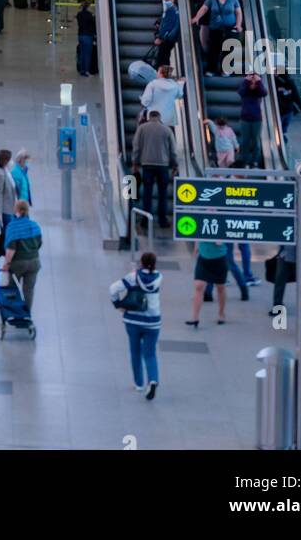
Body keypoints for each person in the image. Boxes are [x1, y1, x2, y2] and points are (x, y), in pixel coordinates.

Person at [110, 250, 162, 399]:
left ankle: (139, 384)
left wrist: (117, 304)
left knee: (135, 351)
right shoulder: (159, 277)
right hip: (153, 322)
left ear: (141, 262)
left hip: (132, 320)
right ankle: (152, 380)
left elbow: (113, 288)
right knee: (150, 353)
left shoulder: (133, 277)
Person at [132, 109, 177, 228]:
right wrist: (175, 165)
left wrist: (135, 164)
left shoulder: (141, 129)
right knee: (163, 194)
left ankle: (145, 220)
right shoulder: (167, 130)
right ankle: (162, 220)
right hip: (163, 166)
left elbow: (136, 147)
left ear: (149, 117)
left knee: (147, 193)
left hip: (147, 165)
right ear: (160, 117)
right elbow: (173, 150)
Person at [192, 0, 242, 75]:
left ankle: (226, 70)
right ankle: (211, 69)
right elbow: (204, 9)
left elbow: (238, 12)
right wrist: (196, 18)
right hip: (215, 28)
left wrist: (238, 24)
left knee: (228, 49)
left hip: (229, 28)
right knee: (214, 49)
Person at [2, 200, 43, 311]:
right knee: (29, 290)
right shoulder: (35, 226)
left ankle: (14, 313)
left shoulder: (13, 226)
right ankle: (27, 314)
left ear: (16, 210)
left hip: (17, 263)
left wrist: (7, 264)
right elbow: (39, 244)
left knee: (12, 288)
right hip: (34, 262)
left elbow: (11, 249)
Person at [187, 240, 228, 326]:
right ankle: (195, 317)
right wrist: (196, 245)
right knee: (199, 286)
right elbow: (199, 230)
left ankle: (221, 313)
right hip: (203, 258)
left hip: (219, 257)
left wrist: (221, 240)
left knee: (220, 287)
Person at [140, 65, 184, 129]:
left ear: (161, 74)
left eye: (158, 71)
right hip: (169, 120)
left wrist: (142, 100)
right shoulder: (175, 85)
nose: (156, 73)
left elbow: (145, 102)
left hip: (154, 117)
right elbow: (180, 95)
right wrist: (181, 83)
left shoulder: (152, 84)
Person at [238, 71, 268, 166]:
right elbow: (240, 92)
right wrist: (246, 81)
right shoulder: (245, 90)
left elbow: (264, 93)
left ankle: (255, 161)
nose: (253, 82)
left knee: (256, 141)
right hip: (245, 119)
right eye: (252, 80)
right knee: (245, 141)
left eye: (254, 81)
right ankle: (245, 160)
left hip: (256, 119)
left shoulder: (258, 92)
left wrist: (259, 81)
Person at [274, 69, 301, 137]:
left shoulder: (275, 82)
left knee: (280, 128)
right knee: (283, 128)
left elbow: (295, 95)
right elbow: (296, 95)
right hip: (287, 110)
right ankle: (282, 137)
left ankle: (281, 138)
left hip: (281, 110)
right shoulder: (289, 82)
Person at [153, 0, 180, 65]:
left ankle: (163, 75)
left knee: (162, 59)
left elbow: (174, 28)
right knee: (164, 58)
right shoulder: (169, 9)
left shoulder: (174, 10)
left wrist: (161, 38)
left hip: (167, 40)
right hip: (165, 39)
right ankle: (164, 74)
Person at [0, 149, 17, 229]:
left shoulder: (7, 171)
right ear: (5, 161)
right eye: (10, 159)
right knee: (8, 232)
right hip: (6, 210)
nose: (11, 161)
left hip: (12, 208)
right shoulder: (0, 175)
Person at [76, 0, 96, 76]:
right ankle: (87, 71)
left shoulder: (79, 14)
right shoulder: (89, 15)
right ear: (88, 7)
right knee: (87, 54)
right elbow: (93, 23)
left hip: (80, 35)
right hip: (88, 36)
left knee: (82, 53)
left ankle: (82, 70)